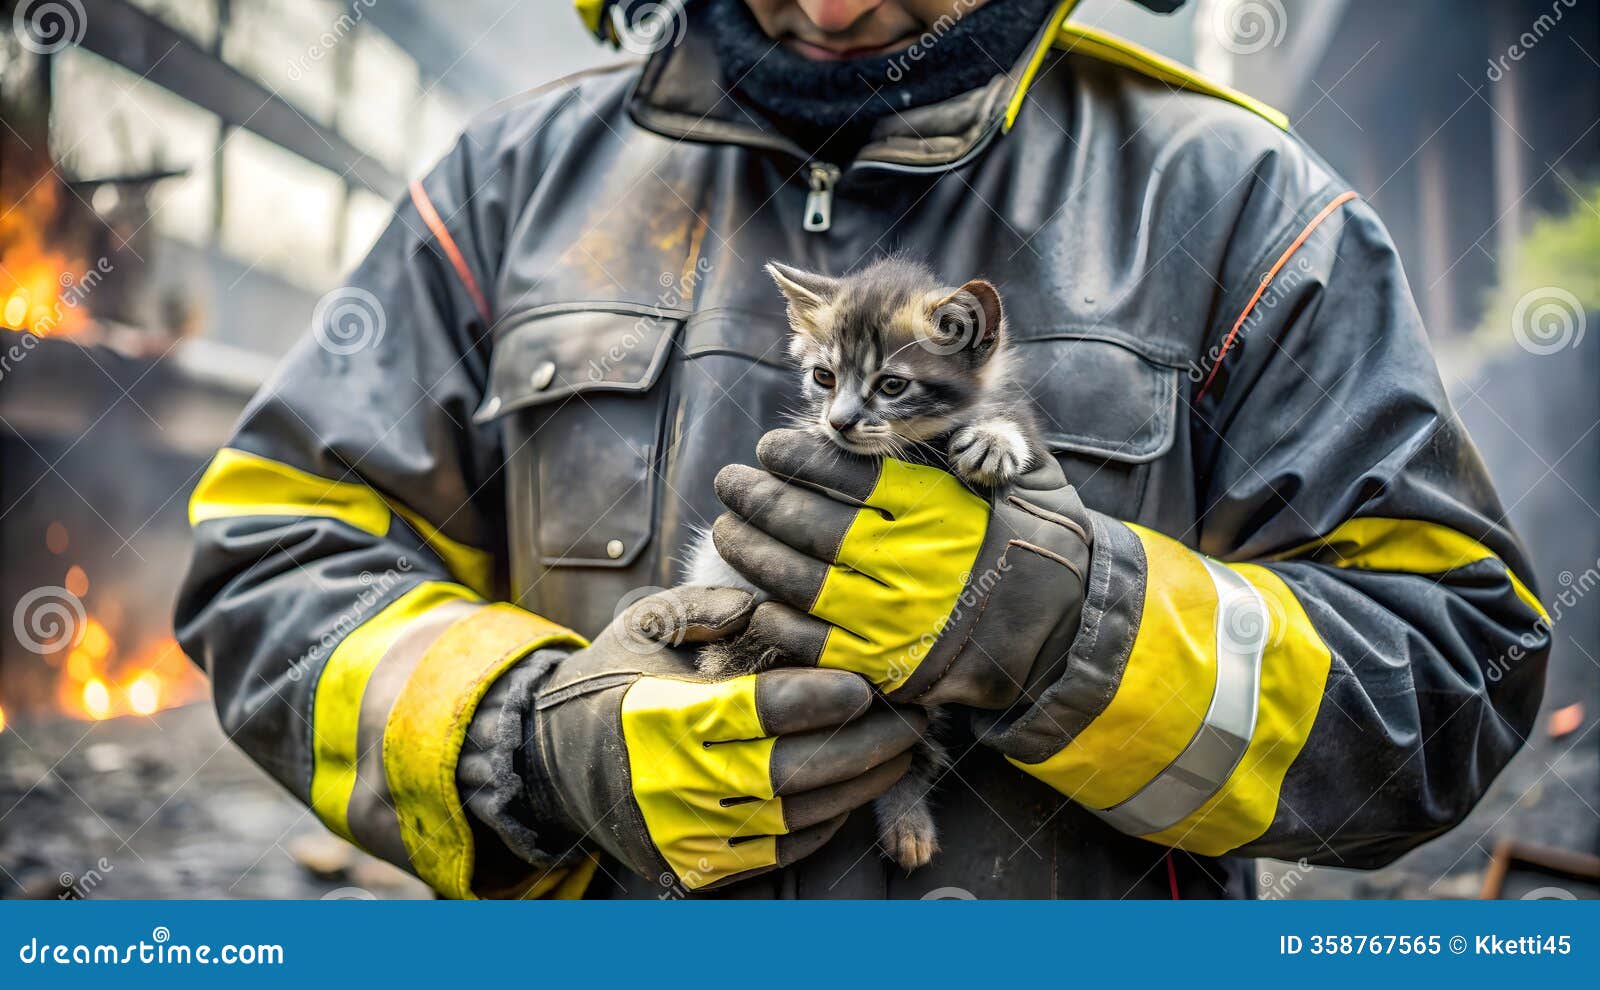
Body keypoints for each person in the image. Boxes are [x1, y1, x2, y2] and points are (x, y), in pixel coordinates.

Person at [176, 0, 1550, 899]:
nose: (831, 10)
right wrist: (525, 746)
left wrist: (1080, 624)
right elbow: (270, 559)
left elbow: (1452, 672)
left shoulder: (1234, 206)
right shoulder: (507, 193)